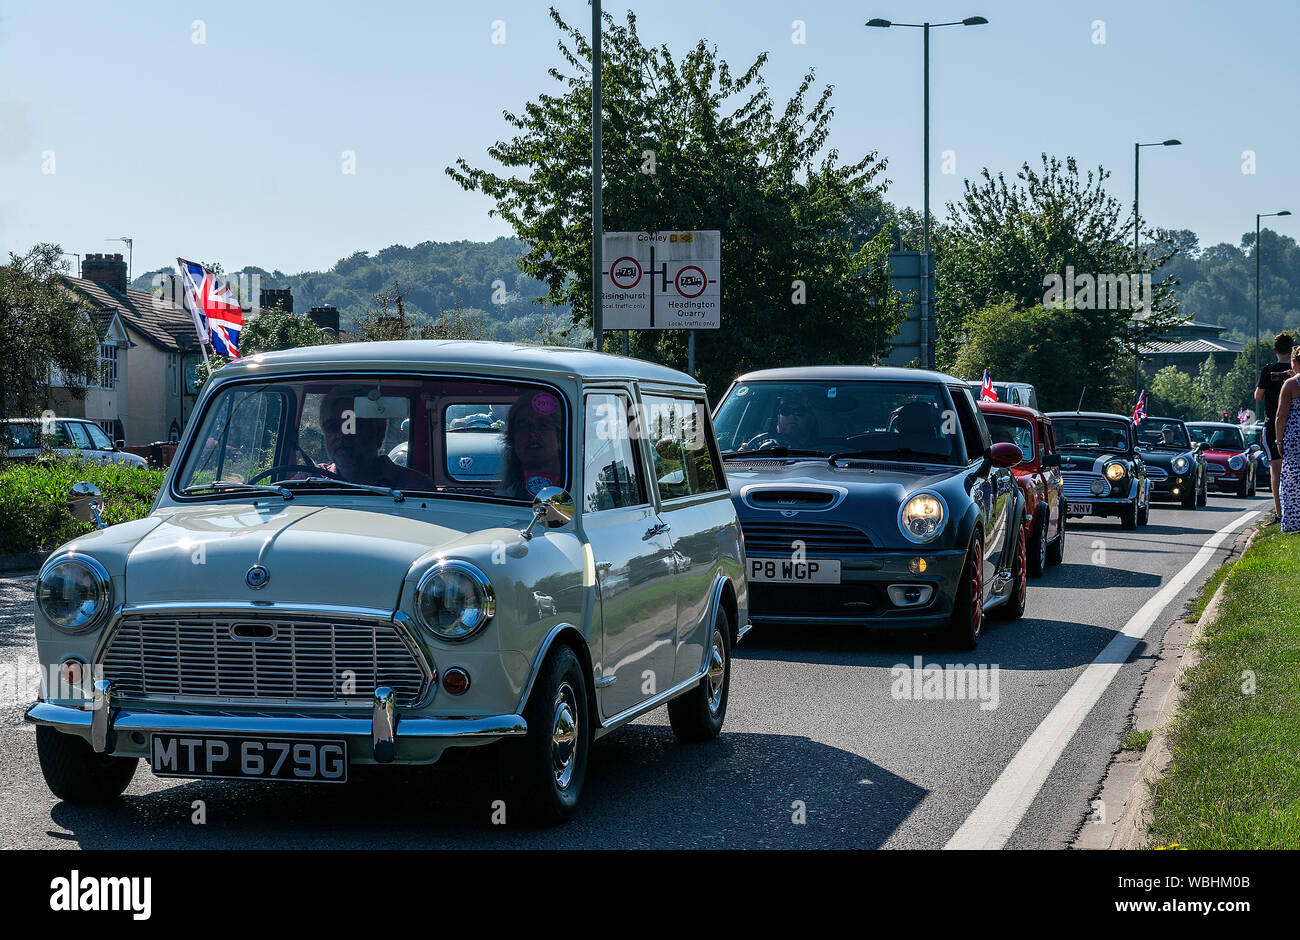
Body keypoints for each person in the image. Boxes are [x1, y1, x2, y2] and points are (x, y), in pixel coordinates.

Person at [317, 388, 436, 490]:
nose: (341, 434)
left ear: (379, 431)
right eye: (332, 426)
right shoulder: (309, 480)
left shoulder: (415, 486)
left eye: (352, 425)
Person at [1256, 332, 1295, 519]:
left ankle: (1280, 512)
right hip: (1295, 424)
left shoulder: (1267, 371)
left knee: (1276, 470)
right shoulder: (1297, 373)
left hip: (1272, 423)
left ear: (1275, 350)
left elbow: (1258, 396)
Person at [499, 391, 565, 499]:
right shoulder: (504, 498)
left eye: (542, 425)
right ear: (513, 440)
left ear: (560, 439)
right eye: (523, 426)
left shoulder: (582, 491)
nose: (532, 433)